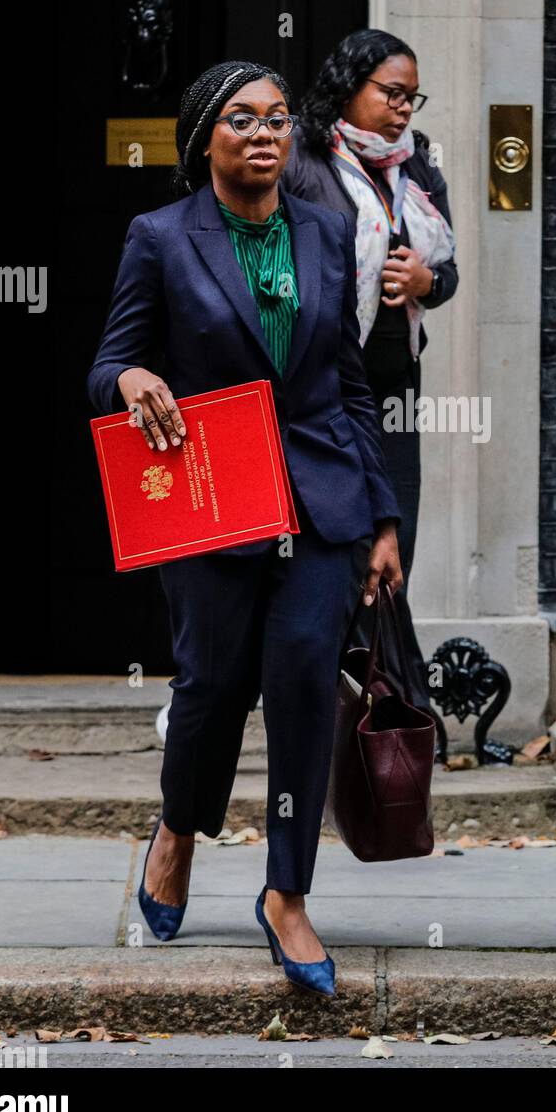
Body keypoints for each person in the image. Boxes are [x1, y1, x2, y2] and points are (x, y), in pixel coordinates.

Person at [86, 59, 404, 997]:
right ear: (204, 139)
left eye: (276, 118)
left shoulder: (325, 230)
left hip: (320, 499)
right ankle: (180, 827)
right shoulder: (160, 238)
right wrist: (130, 379)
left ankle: (286, 892)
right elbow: (108, 363)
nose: (264, 134)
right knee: (212, 686)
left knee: (303, 681)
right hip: (212, 494)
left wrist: (382, 516)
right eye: (241, 119)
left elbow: (349, 382)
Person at [279, 28, 458, 713]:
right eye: (392, 93)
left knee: (391, 544)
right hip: (319, 382)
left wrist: (425, 281)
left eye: (413, 97)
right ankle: (370, 701)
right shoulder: (303, 158)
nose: (404, 108)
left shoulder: (419, 166)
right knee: (336, 540)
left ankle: (376, 706)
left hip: (395, 383)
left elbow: (448, 272)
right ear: (349, 87)